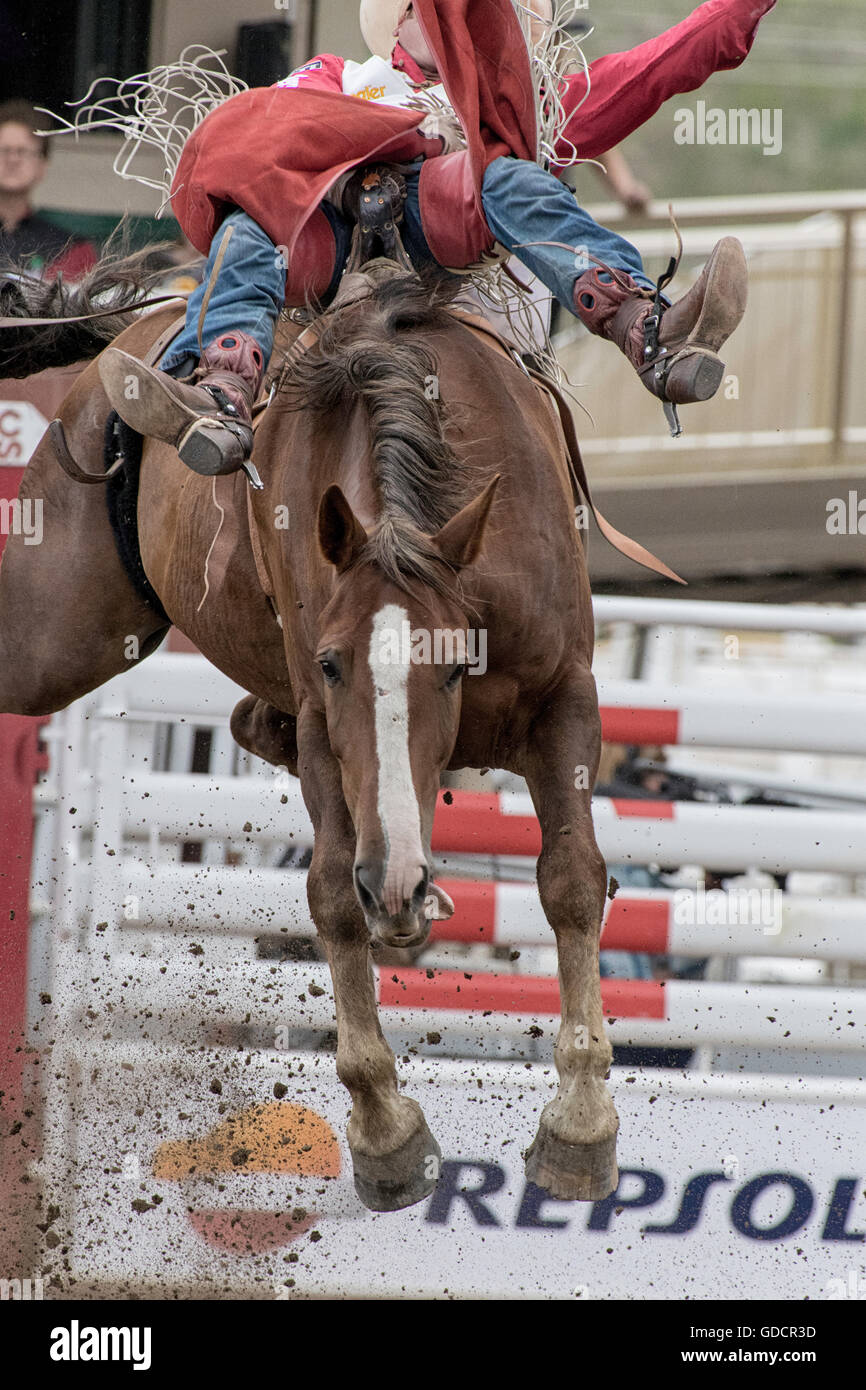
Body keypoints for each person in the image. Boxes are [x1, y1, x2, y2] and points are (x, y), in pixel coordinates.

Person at [99, 0, 776, 478]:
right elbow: (264, 139)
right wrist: (362, 157)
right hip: (323, 236)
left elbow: (655, 68)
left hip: (445, 219)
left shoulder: (525, 105)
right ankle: (220, 391)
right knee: (252, 227)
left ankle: (646, 333)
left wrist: (740, 9)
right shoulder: (339, 78)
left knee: (506, 176)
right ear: (400, 17)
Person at [0, 99, 96, 280]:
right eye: (4, 150)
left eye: (23, 151)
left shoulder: (72, 248)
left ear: (43, 165)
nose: (12, 160)